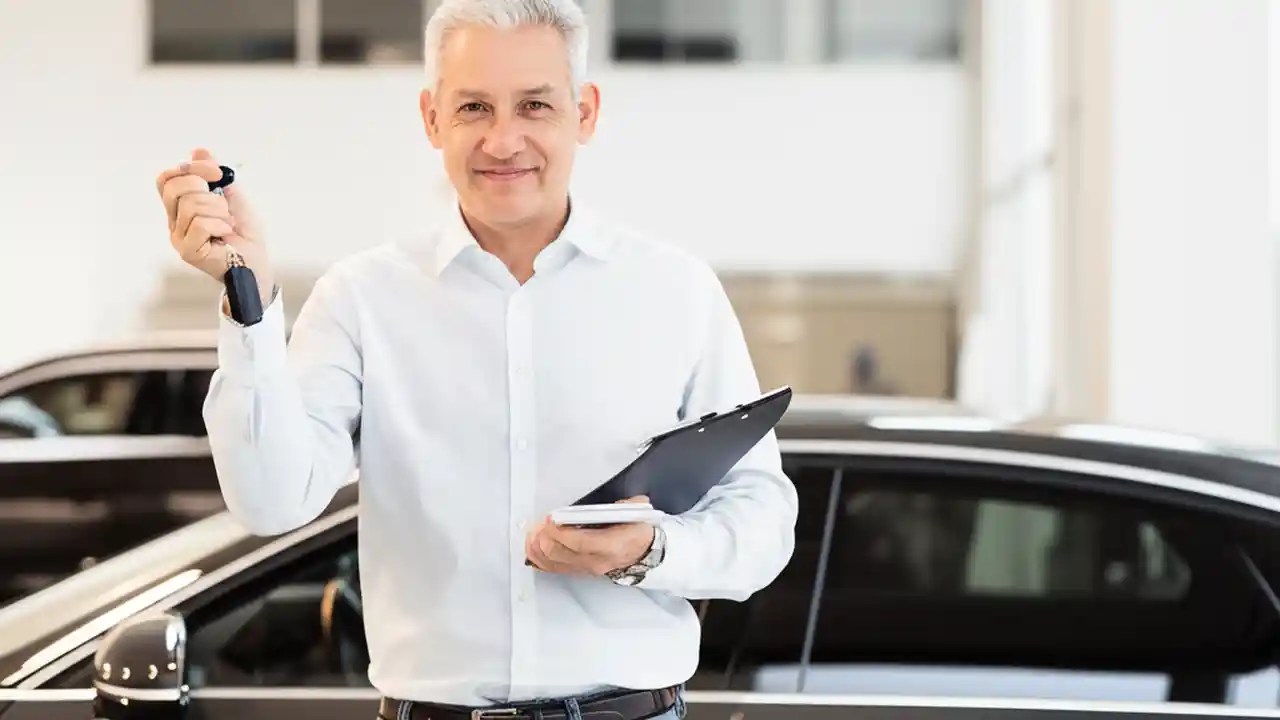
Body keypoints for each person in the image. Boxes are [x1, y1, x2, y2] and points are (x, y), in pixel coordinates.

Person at [154, 1, 798, 718]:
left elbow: (762, 524)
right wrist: (249, 296)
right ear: (432, 118)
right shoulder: (363, 299)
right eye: (473, 108)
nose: (503, 139)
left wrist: (652, 550)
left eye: (534, 105)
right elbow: (273, 499)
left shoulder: (674, 292)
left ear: (584, 112)